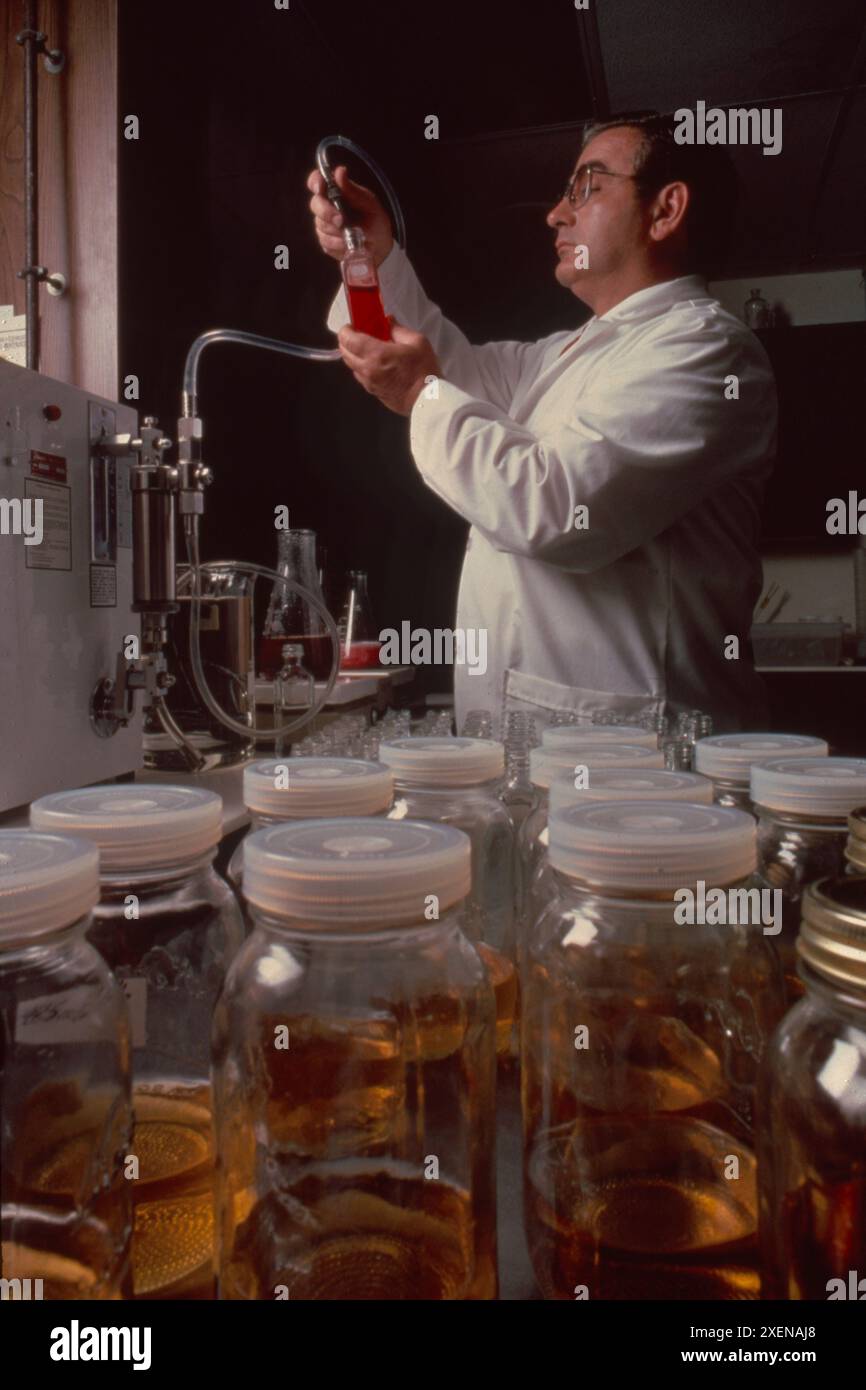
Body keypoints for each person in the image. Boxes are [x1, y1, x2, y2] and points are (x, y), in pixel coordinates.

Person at [307, 113, 777, 735]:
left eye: (586, 187)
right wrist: (371, 256)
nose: (556, 213)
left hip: (642, 767)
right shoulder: (569, 353)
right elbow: (447, 364)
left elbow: (556, 509)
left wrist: (420, 391)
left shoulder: (710, 351)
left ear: (665, 210)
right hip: (540, 749)